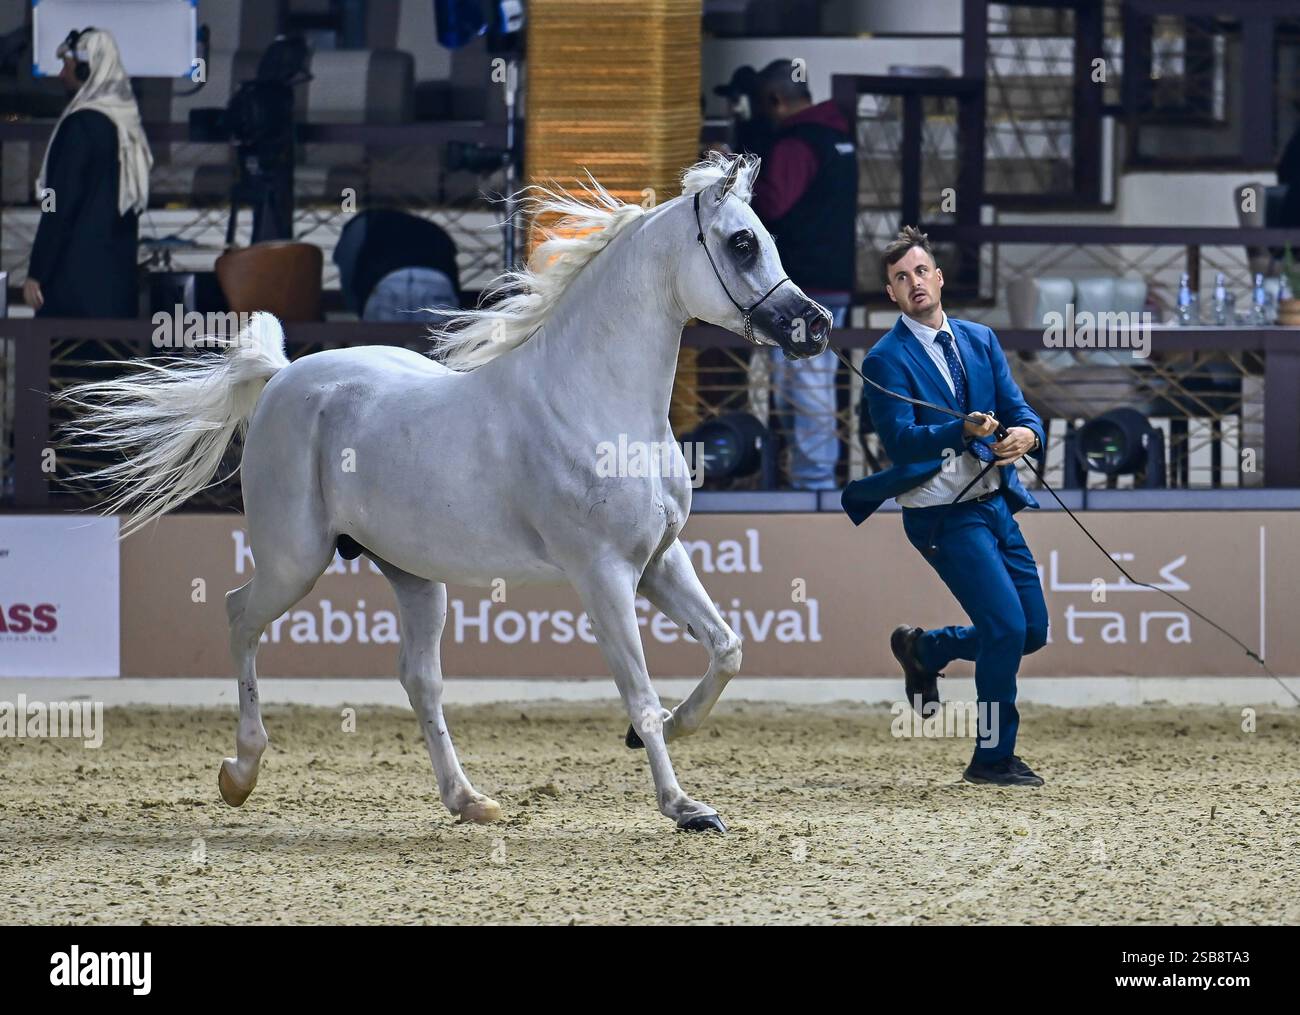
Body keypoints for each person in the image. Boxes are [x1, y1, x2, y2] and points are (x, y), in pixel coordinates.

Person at [841, 227, 1049, 787]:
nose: (914, 284)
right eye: (900, 278)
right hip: (941, 514)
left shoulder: (980, 339)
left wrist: (1027, 436)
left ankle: (927, 650)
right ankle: (992, 758)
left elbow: (1021, 410)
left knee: (1031, 633)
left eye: (920, 272)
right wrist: (957, 429)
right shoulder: (886, 360)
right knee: (1005, 628)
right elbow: (903, 440)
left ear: (937, 277)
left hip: (995, 502)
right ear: (891, 294)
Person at [748, 58, 857, 491]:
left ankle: (814, 482)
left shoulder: (796, 145)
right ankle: (811, 475)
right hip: (833, 280)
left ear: (775, 100)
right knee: (813, 378)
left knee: (805, 381)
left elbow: (770, 207)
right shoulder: (838, 139)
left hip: (802, 286)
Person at [25, 27, 151, 318]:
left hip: (73, 288)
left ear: (85, 69)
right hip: (115, 287)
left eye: (66, 67)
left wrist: (37, 270)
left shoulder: (79, 126)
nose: (61, 75)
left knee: (64, 361)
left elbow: (57, 203)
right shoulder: (127, 126)